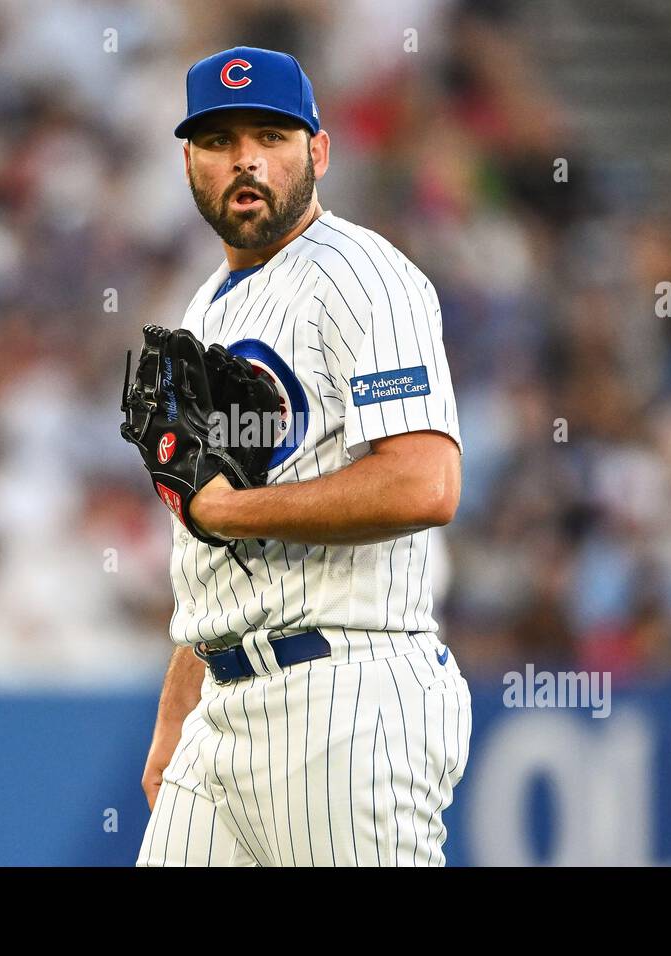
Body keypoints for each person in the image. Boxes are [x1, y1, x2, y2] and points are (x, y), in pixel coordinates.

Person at [136, 46, 471, 867]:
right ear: (188, 162)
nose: (245, 158)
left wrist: (229, 509)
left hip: (345, 694)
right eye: (217, 140)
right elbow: (204, 533)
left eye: (271, 136)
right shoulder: (203, 306)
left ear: (318, 152)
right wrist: (180, 700)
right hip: (226, 703)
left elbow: (427, 481)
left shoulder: (363, 277)